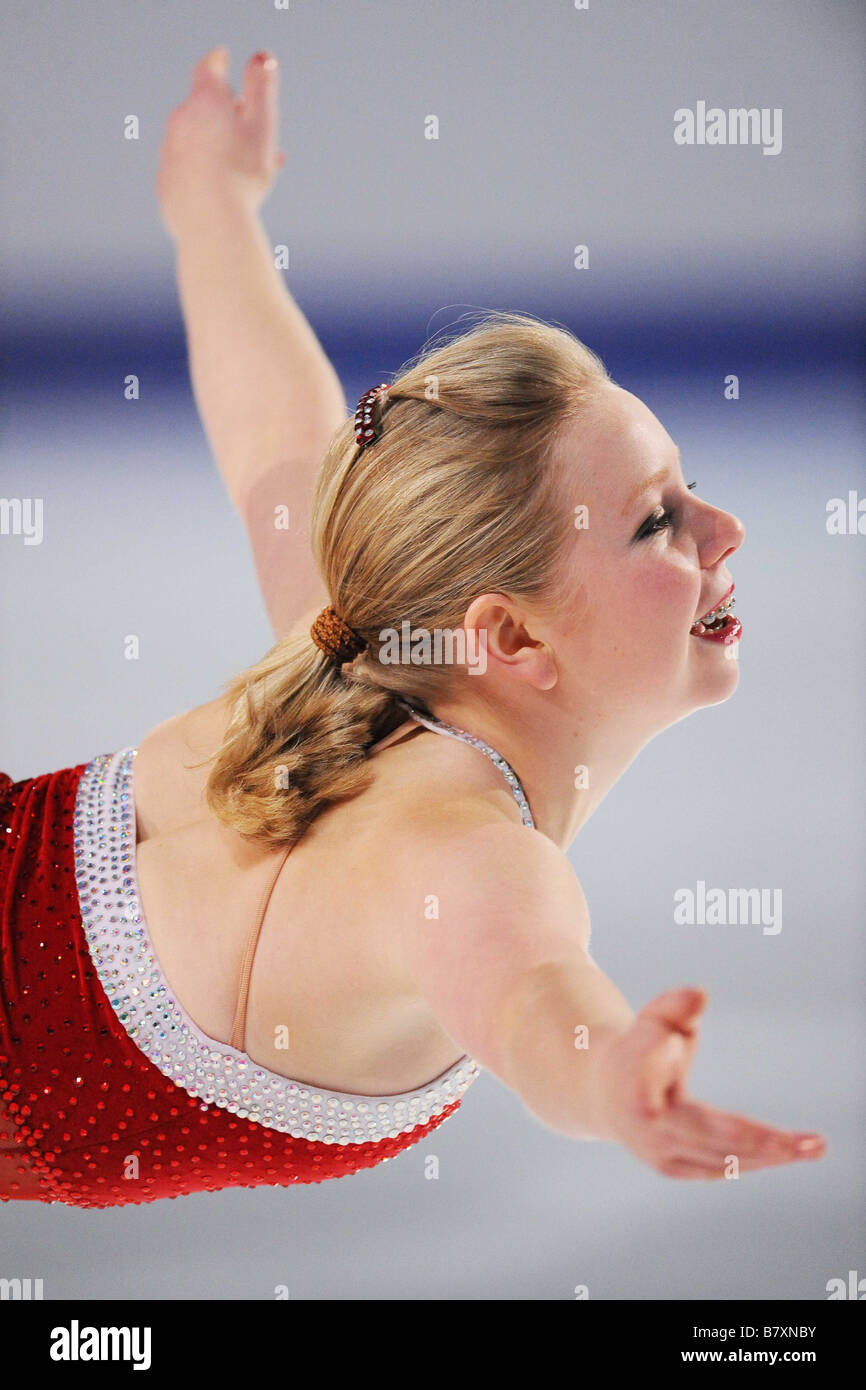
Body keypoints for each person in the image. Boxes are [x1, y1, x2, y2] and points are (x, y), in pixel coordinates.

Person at [0, 48, 825, 1208]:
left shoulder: (354, 642)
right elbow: (537, 1002)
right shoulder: (469, 857)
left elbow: (279, 438)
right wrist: (615, 1079)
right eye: (657, 519)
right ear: (512, 639)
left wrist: (208, 205)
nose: (725, 528)